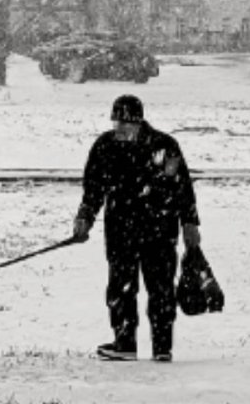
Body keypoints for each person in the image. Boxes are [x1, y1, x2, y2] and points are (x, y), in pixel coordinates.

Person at [71, 93, 201, 363]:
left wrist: (190, 222)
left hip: (160, 231)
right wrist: (85, 216)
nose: (119, 129)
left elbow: (182, 188)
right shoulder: (105, 146)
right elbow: (94, 187)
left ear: (139, 122)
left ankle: (162, 347)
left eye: (125, 124)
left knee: (161, 288)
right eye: (116, 122)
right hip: (121, 231)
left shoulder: (164, 146)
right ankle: (124, 343)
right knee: (121, 288)